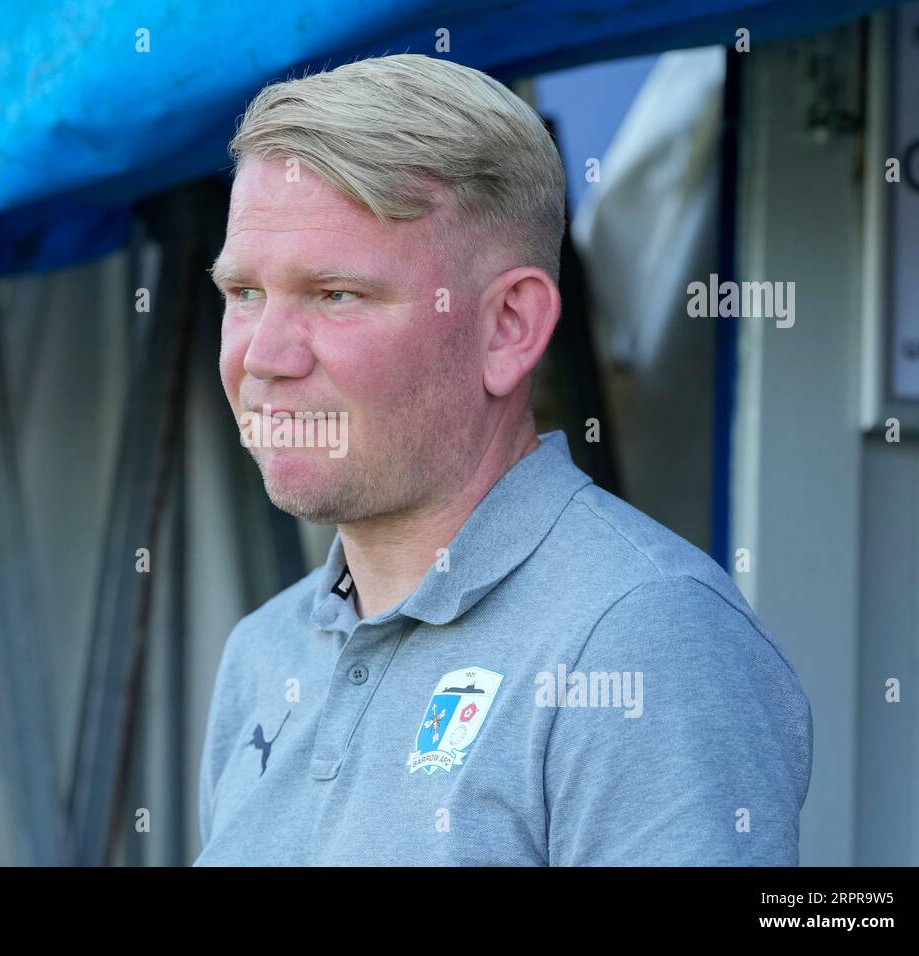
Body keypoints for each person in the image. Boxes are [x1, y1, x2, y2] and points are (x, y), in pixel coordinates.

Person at [196, 53, 812, 865]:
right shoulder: (262, 651)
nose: (264, 355)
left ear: (509, 327)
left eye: (336, 294)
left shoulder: (643, 638)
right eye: (244, 294)